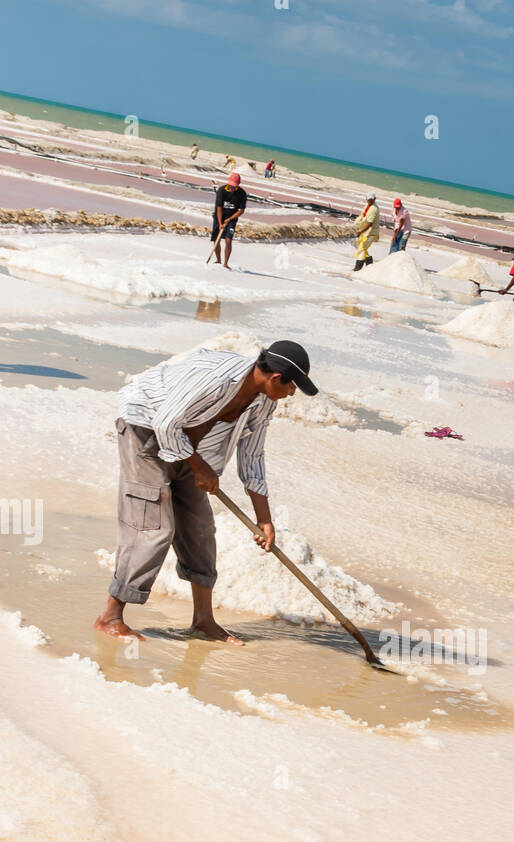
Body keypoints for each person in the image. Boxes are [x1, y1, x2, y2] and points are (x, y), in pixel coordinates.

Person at [94, 341, 319, 646]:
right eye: (292, 386)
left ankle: (203, 622)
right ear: (275, 378)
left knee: (200, 528)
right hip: (145, 427)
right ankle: (110, 617)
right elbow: (165, 423)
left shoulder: (265, 400)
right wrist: (200, 468)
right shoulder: (216, 378)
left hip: (187, 446)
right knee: (154, 526)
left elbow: (252, 455)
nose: (292, 393)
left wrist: (264, 519)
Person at [211, 172, 247, 269]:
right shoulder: (221, 191)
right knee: (216, 239)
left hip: (232, 219)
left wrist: (230, 219)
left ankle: (226, 263)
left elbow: (241, 210)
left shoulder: (242, 193)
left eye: (234, 186)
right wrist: (220, 223)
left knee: (228, 240)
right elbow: (218, 208)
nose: (232, 188)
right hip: (219, 217)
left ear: (238, 185)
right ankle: (218, 260)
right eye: (231, 185)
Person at [353, 193, 380, 270]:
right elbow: (363, 217)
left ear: (375, 199)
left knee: (362, 249)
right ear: (366, 199)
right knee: (362, 247)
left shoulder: (373, 209)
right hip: (365, 232)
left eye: (371, 199)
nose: (370, 201)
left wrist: (359, 232)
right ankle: (369, 265)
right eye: (369, 199)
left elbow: (369, 223)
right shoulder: (368, 206)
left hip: (371, 233)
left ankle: (357, 268)